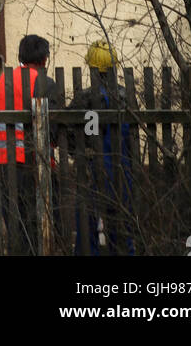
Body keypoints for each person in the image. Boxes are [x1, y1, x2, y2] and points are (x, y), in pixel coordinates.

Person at [0, 33, 59, 255]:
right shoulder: (46, 84)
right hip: (34, 168)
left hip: (3, 168)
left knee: (15, 231)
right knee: (39, 231)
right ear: (44, 59)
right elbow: (54, 132)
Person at [67, 40, 134, 255]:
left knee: (87, 231)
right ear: (114, 67)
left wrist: (76, 153)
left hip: (91, 171)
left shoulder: (84, 98)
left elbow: (69, 132)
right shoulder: (126, 96)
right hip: (122, 170)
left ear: (92, 68)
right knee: (121, 230)